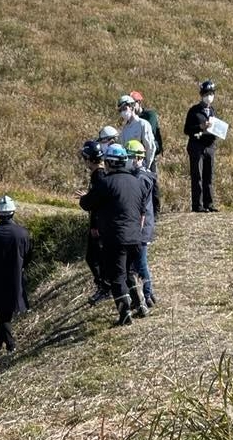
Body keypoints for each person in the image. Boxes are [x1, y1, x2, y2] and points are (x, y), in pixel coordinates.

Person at [79, 145, 147, 326]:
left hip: (115, 238)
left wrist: (84, 197)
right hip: (136, 237)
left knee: (117, 276)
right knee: (130, 272)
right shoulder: (137, 182)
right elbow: (142, 212)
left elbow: (87, 204)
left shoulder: (105, 183)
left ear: (108, 162)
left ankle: (125, 314)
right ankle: (141, 305)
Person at [0, 196, 31, 356]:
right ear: (13, 212)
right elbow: (28, 257)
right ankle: (7, 347)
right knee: (6, 314)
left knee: (4, 314)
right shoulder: (22, 233)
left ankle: (3, 347)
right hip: (16, 278)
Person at [77, 140, 111, 305]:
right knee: (95, 258)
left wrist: (85, 199)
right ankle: (104, 286)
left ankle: (104, 288)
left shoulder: (99, 176)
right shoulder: (101, 175)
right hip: (100, 223)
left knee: (94, 258)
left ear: (89, 159)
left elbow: (95, 202)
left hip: (99, 225)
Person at [126, 140, 158, 310]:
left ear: (138, 158)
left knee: (141, 262)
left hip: (142, 226)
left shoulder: (142, 178)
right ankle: (148, 294)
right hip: (143, 224)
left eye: (129, 156)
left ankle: (147, 293)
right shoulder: (140, 175)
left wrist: (138, 228)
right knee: (138, 262)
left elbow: (141, 207)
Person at [184, 80, 220, 213]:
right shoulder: (194, 111)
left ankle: (209, 203)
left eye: (211, 94)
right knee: (197, 176)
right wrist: (200, 126)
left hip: (209, 146)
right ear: (201, 95)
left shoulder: (213, 111)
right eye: (206, 94)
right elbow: (186, 130)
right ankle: (197, 205)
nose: (209, 96)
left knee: (208, 176)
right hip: (196, 146)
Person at [131, 90, 164, 214]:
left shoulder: (149, 115)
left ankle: (156, 210)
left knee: (151, 179)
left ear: (139, 102)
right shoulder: (131, 119)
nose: (131, 107)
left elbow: (148, 131)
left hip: (149, 152)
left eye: (133, 103)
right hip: (136, 154)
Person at [118, 95, 156, 169]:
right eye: (120, 110)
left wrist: (147, 166)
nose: (123, 112)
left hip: (141, 165)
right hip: (128, 166)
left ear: (132, 107)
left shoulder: (143, 124)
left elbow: (150, 147)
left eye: (125, 108)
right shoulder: (124, 129)